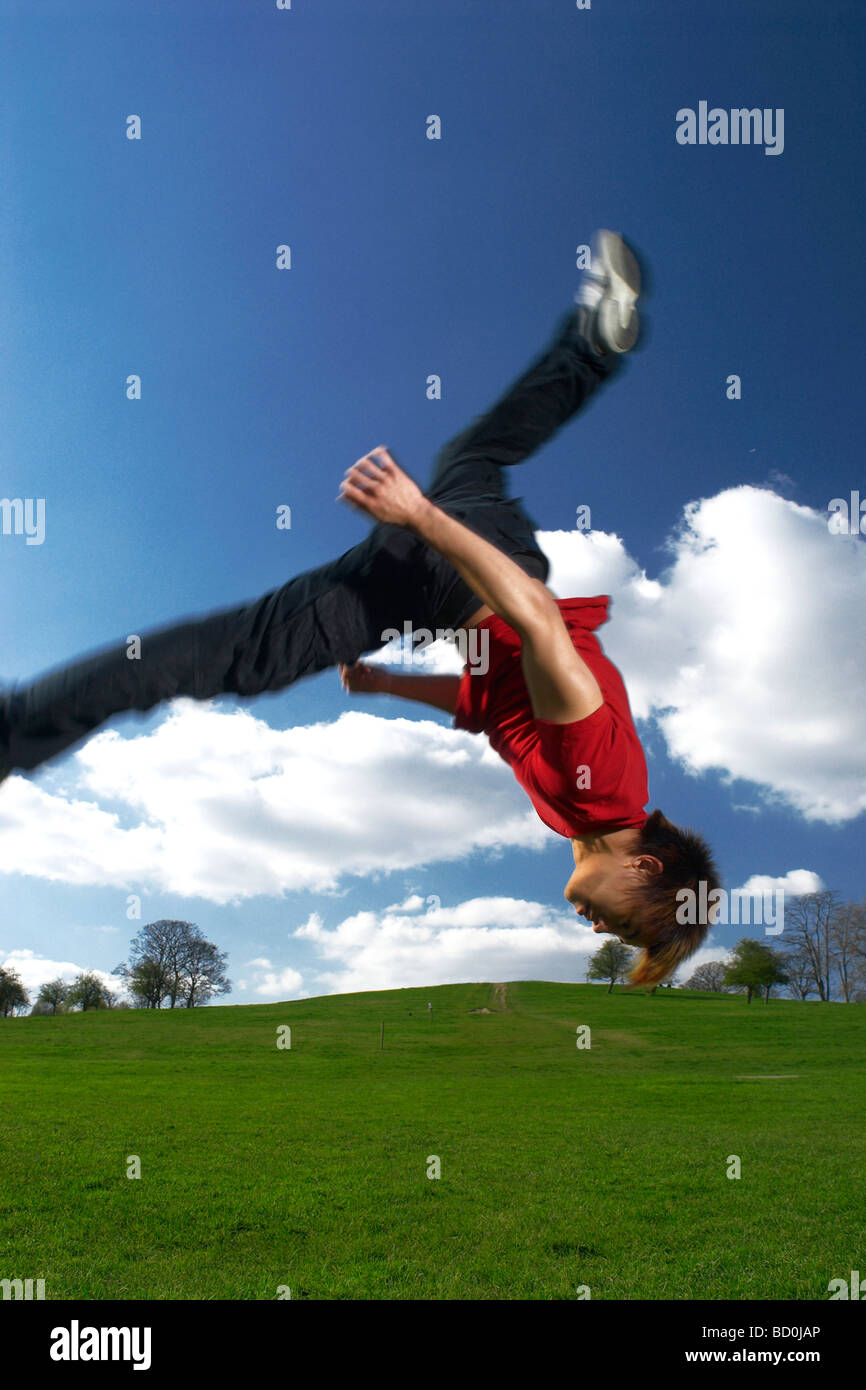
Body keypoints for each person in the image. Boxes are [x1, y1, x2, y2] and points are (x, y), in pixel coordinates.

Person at [0, 230, 719, 985]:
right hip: (457, 579)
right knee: (239, 655)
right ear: (642, 866)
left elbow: (492, 702)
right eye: (624, 921)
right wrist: (420, 520)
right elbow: (537, 619)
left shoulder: (585, 807)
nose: (597, 927)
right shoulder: (597, 782)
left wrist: (387, 684)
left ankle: (593, 345)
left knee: (474, 458)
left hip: (483, 568)